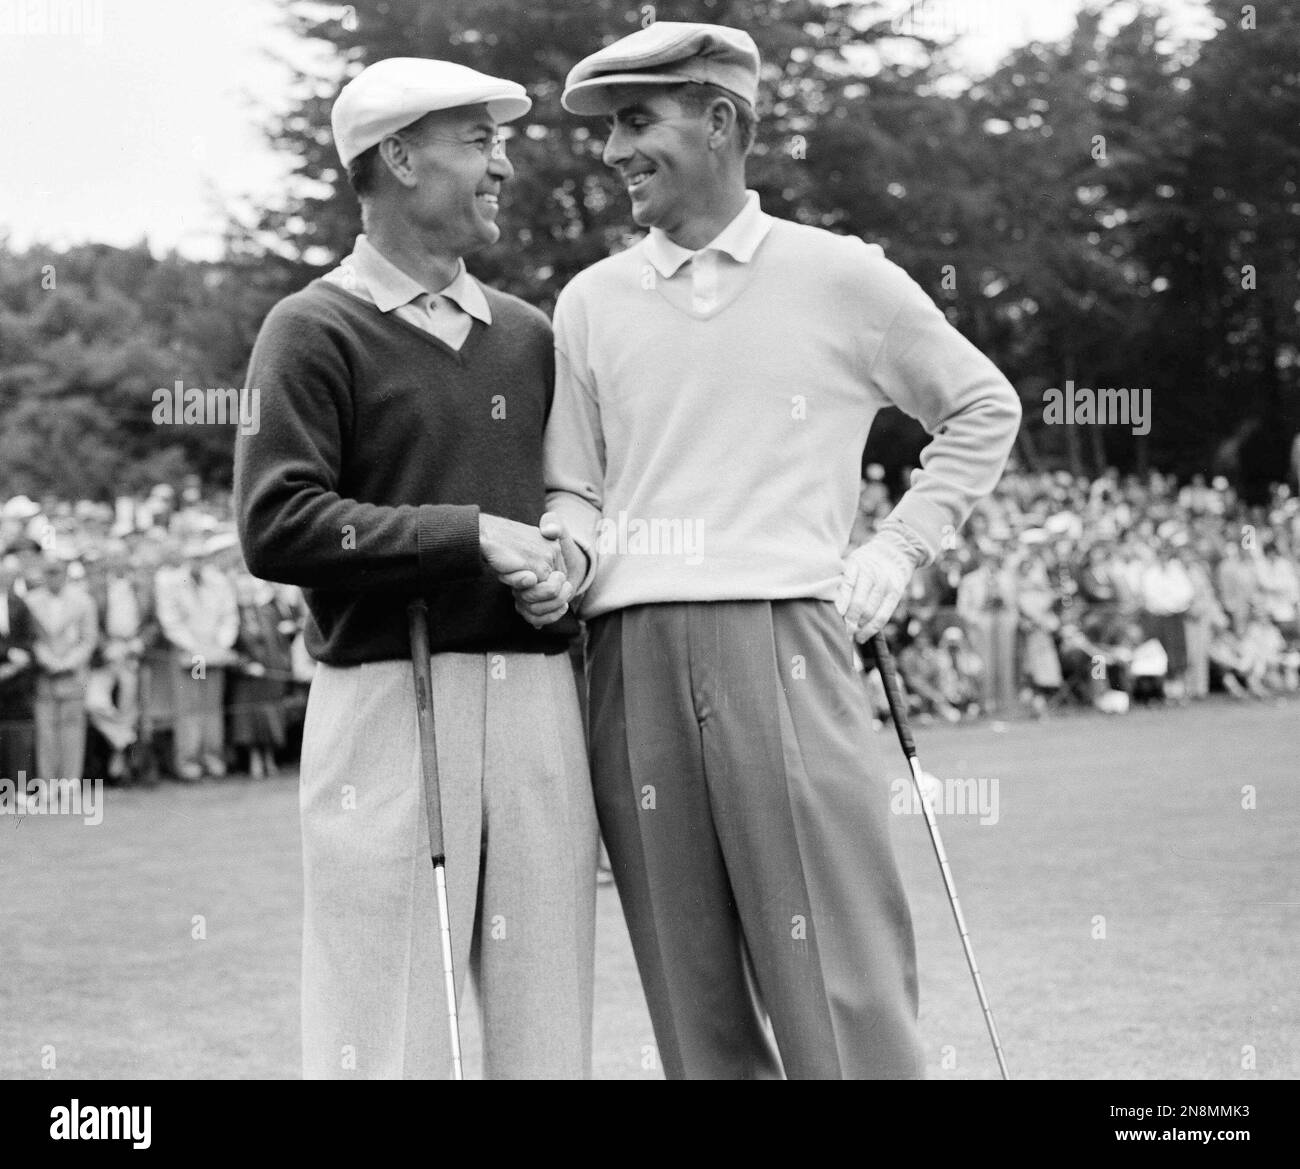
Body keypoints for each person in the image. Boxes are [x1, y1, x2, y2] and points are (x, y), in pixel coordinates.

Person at [537, 22, 1021, 1079]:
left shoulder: (842, 275)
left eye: (635, 121)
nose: (614, 150)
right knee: (691, 994)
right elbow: (574, 483)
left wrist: (897, 548)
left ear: (720, 121)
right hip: (629, 658)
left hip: (787, 640)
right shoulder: (587, 302)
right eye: (609, 128)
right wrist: (560, 554)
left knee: (842, 991)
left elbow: (982, 404)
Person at [234, 57, 598, 1080]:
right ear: (396, 156)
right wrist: (466, 532)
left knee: (547, 1020)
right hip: (389, 697)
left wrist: (561, 562)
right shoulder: (311, 327)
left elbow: (573, 498)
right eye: (478, 142)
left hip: (535, 697)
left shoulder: (529, 334)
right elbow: (277, 523)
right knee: (386, 1026)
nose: (502, 167)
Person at [154, 540, 239, 780]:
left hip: (213, 653)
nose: (197, 563)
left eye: (201, 558)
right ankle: (188, 762)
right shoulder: (172, 583)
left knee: (212, 706)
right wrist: (194, 648)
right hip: (188, 655)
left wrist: (220, 645)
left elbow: (229, 616)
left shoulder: (218, 582)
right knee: (188, 707)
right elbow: (170, 620)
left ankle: (212, 758)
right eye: (193, 558)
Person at [25, 558, 99, 784]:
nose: (53, 577)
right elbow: (31, 639)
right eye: (48, 572)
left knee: (72, 729)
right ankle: (47, 781)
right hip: (44, 673)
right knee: (45, 730)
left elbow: (88, 639)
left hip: (73, 673)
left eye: (57, 572)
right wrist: (48, 660)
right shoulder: (32, 601)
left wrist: (68, 662)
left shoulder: (83, 600)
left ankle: (69, 781)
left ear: (65, 573)